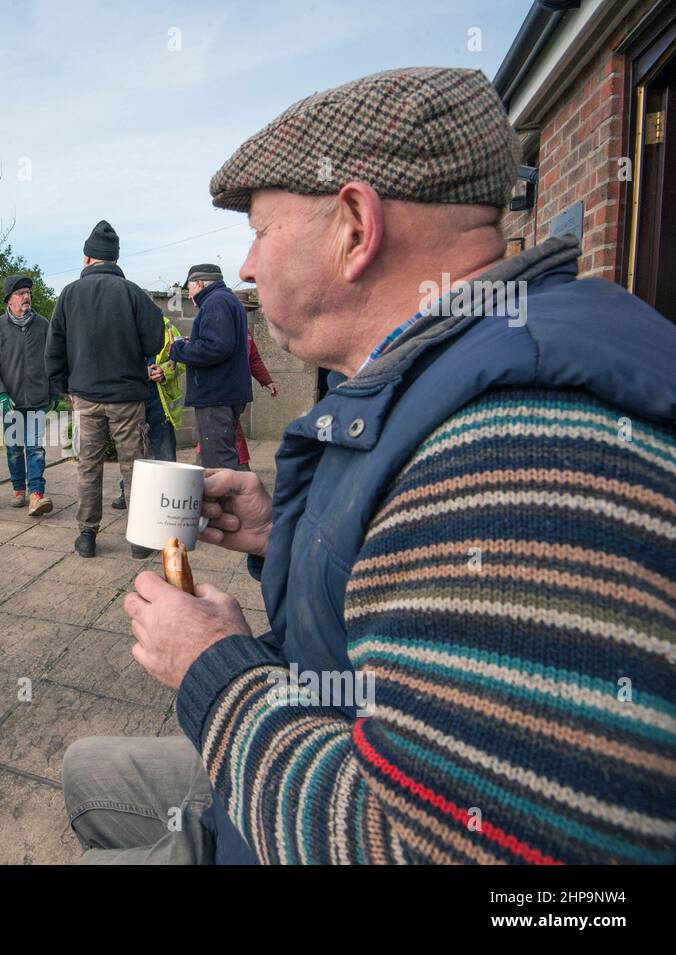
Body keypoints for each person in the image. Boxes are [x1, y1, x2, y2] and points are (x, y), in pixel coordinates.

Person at [63, 66, 676, 864]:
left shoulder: (516, 449)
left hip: (293, 797)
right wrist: (282, 528)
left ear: (354, 226)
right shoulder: (448, 378)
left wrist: (213, 668)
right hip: (309, 748)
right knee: (83, 772)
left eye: (259, 228)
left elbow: (429, 848)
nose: (246, 266)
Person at [45, 220, 165, 559]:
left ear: (87, 258)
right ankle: (140, 538)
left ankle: (87, 535)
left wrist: (62, 386)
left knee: (88, 465)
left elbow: (54, 347)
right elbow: (156, 338)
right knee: (136, 465)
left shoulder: (69, 294)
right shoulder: (133, 293)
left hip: (85, 396)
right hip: (128, 397)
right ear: (114, 259)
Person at [170, 264, 263, 470]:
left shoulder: (215, 302)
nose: (190, 295)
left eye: (191, 289)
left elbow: (215, 347)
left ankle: (228, 501)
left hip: (216, 396)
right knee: (219, 458)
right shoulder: (227, 300)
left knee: (219, 465)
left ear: (200, 283)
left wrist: (178, 349)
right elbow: (221, 343)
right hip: (225, 393)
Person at [0, 274, 56, 516]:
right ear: (9, 300)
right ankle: (18, 488)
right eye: (20, 293)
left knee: (35, 448)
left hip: (37, 399)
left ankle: (36, 493)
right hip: (10, 402)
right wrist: (0, 394)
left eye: (28, 293)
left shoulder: (44, 325)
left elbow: (54, 360)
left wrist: (54, 392)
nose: (26, 297)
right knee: (14, 448)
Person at [112, 314, 184, 509]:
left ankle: (169, 497)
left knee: (164, 448)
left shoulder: (168, 327)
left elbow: (183, 358)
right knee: (131, 450)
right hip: (131, 398)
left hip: (159, 399)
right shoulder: (120, 326)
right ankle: (128, 492)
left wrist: (164, 371)